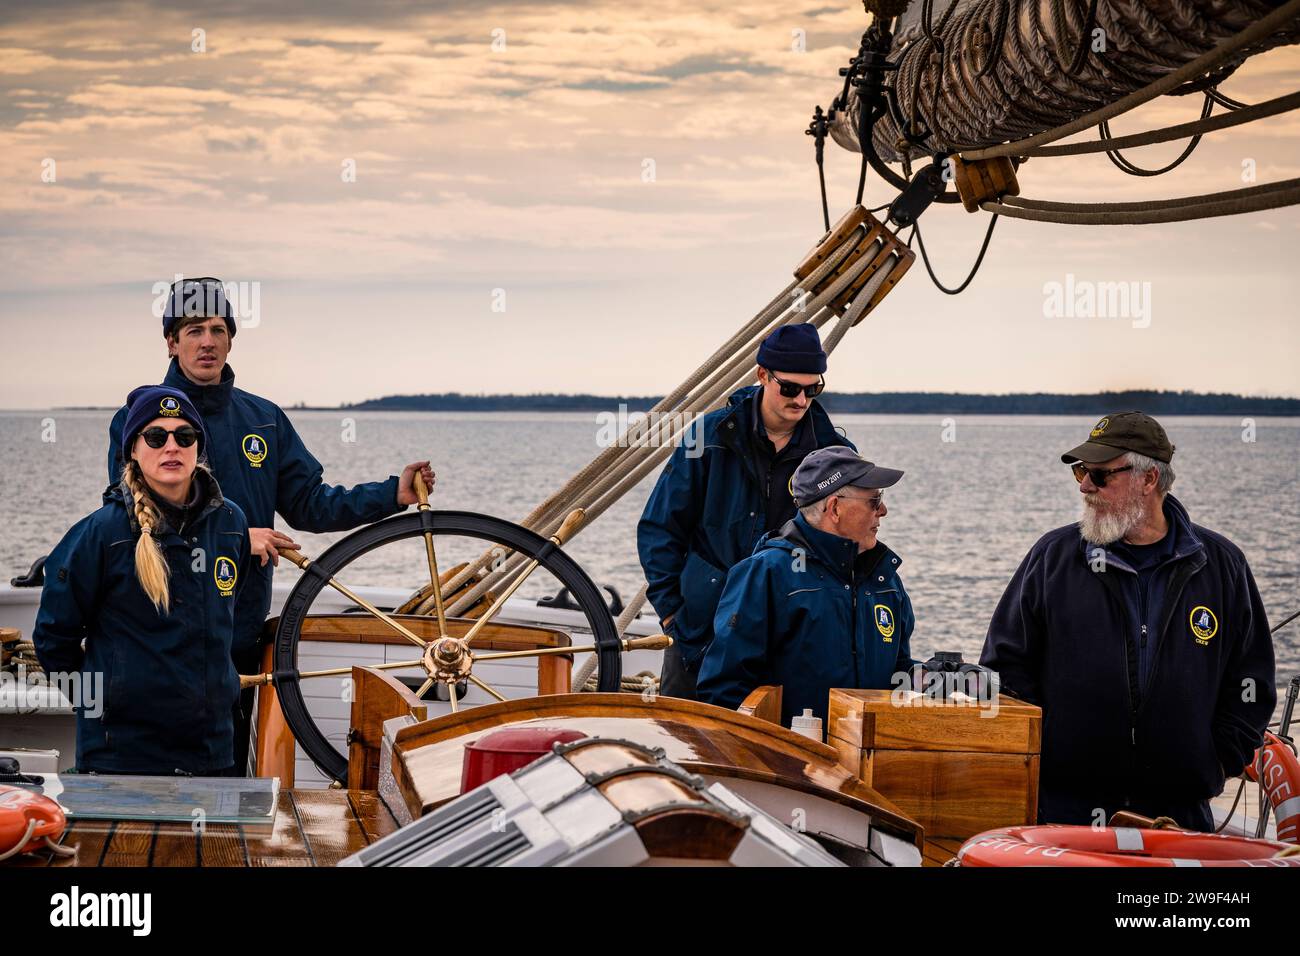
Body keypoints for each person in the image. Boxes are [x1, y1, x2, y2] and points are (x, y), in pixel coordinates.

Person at [107, 277, 435, 772]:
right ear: (171, 342)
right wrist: (236, 538)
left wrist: (393, 495)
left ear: (231, 340)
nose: (207, 342)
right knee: (155, 781)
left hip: (236, 632)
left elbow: (310, 505)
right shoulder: (140, 422)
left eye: (218, 330)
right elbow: (128, 517)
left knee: (225, 775)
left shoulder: (264, 419)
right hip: (160, 631)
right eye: (193, 330)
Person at [980, 411, 1277, 831]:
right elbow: (1004, 670)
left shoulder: (1221, 565)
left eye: (1100, 475)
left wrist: (1213, 762)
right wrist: (1048, 753)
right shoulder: (1052, 558)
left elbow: (1251, 683)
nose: (1084, 486)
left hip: (1179, 814)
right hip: (1067, 814)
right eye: (1080, 471)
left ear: (1149, 479)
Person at [35, 386, 252, 775]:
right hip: (121, 756)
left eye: (184, 436)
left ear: (198, 447)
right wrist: (100, 703)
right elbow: (54, 638)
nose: (171, 447)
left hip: (211, 751)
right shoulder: (102, 534)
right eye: (155, 436)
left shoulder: (231, 524)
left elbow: (231, 613)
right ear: (133, 448)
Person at [637, 324, 855, 700]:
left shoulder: (834, 454)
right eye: (790, 388)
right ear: (762, 375)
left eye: (812, 389)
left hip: (789, 638)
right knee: (682, 731)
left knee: (774, 737)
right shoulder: (708, 438)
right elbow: (660, 528)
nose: (801, 400)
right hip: (699, 633)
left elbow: (849, 546)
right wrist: (673, 615)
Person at [696, 447, 914, 726]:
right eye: (874, 501)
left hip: (866, 749)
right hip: (790, 751)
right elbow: (723, 690)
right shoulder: (766, 574)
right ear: (835, 508)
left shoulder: (884, 579)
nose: (883, 510)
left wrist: (937, 677)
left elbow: (897, 671)